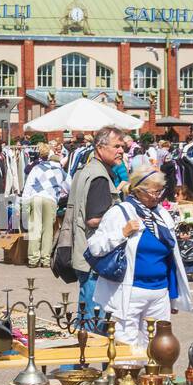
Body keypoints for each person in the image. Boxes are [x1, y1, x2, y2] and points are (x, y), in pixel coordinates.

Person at [85, 165, 193, 345]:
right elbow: (95, 247)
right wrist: (122, 232)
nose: (158, 196)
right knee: (126, 347)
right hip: (129, 291)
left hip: (159, 292)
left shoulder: (162, 214)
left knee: (156, 346)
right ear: (138, 191)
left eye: (161, 191)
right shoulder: (119, 212)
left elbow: (170, 258)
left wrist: (173, 296)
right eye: (153, 192)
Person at [67, 126, 123, 324]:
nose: (121, 150)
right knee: (93, 318)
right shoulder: (99, 177)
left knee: (85, 316)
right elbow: (93, 219)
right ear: (100, 147)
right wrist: (121, 216)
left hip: (85, 253)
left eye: (122, 146)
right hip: (95, 257)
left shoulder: (87, 170)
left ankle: (82, 349)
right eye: (116, 146)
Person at [21, 143, 69, 267]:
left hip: (35, 198)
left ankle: (33, 260)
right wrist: (60, 193)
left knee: (35, 229)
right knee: (48, 230)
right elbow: (70, 185)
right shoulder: (60, 171)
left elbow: (28, 185)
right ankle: (45, 259)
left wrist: (24, 203)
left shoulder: (37, 168)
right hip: (51, 200)